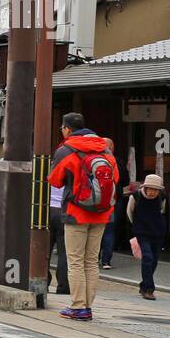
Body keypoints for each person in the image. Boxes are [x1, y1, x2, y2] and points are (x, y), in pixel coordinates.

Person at [49, 112, 120, 321]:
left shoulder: (66, 150)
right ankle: (88, 306)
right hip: (102, 212)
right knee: (91, 261)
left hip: (76, 212)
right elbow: (114, 178)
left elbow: (55, 180)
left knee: (76, 261)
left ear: (67, 129)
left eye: (62, 128)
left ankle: (78, 306)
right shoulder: (105, 150)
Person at [127, 174, 168, 301]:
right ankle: (149, 289)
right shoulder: (136, 196)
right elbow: (129, 212)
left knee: (154, 260)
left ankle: (143, 285)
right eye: (150, 189)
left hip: (157, 231)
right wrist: (136, 226)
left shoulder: (162, 197)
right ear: (145, 188)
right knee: (148, 258)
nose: (152, 192)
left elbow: (162, 211)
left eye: (155, 190)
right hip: (142, 232)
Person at [99, 137, 121, 270]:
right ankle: (106, 261)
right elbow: (121, 181)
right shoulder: (117, 162)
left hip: (95, 202)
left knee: (96, 230)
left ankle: (93, 258)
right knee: (109, 231)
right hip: (112, 200)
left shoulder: (92, 159)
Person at [48, 182, 71, 296]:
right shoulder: (70, 166)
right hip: (64, 210)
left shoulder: (48, 166)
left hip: (47, 208)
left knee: (44, 250)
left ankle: (43, 280)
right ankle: (63, 285)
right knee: (64, 252)